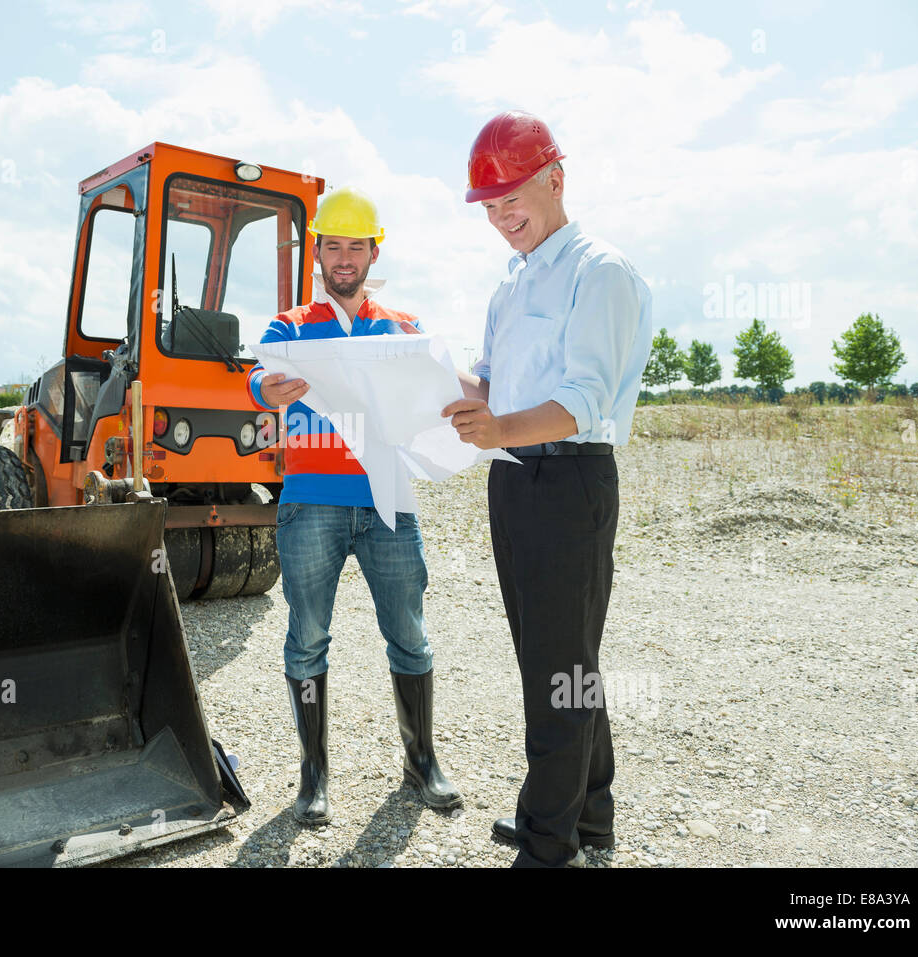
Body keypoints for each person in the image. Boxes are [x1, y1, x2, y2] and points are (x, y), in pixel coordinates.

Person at [442, 111, 653, 867]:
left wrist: (498, 430)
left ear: (555, 180)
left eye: (511, 200)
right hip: (516, 480)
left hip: (569, 477)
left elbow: (583, 399)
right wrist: (416, 369)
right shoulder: (516, 282)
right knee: (558, 658)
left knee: (559, 669)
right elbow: (494, 384)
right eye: (489, 207)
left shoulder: (600, 272)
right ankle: (588, 815)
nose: (501, 219)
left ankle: (548, 843)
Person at [246, 187, 462, 825]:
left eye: (356, 246)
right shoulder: (289, 324)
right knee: (307, 639)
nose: (344, 257)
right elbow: (258, 377)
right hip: (311, 501)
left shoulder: (404, 326)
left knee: (410, 635)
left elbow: (436, 384)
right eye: (333, 245)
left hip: (389, 501)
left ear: (374, 251)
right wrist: (266, 389)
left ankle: (421, 761)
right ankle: (314, 776)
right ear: (317, 251)